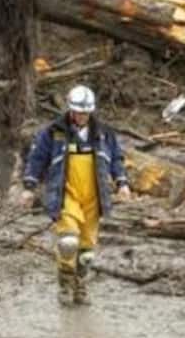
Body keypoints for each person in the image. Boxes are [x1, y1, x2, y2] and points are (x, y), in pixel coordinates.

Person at [15, 84, 131, 306]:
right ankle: (65, 285)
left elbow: (116, 158)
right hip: (65, 193)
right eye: (78, 112)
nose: (81, 117)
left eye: (85, 113)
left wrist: (122, 183)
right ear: (70, 109)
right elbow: (37, 159)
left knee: (86, 252)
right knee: (68, 242)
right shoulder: (53, 132)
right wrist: (29, 187)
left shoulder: (104, 133)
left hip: (94, 196)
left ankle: (80, 286)